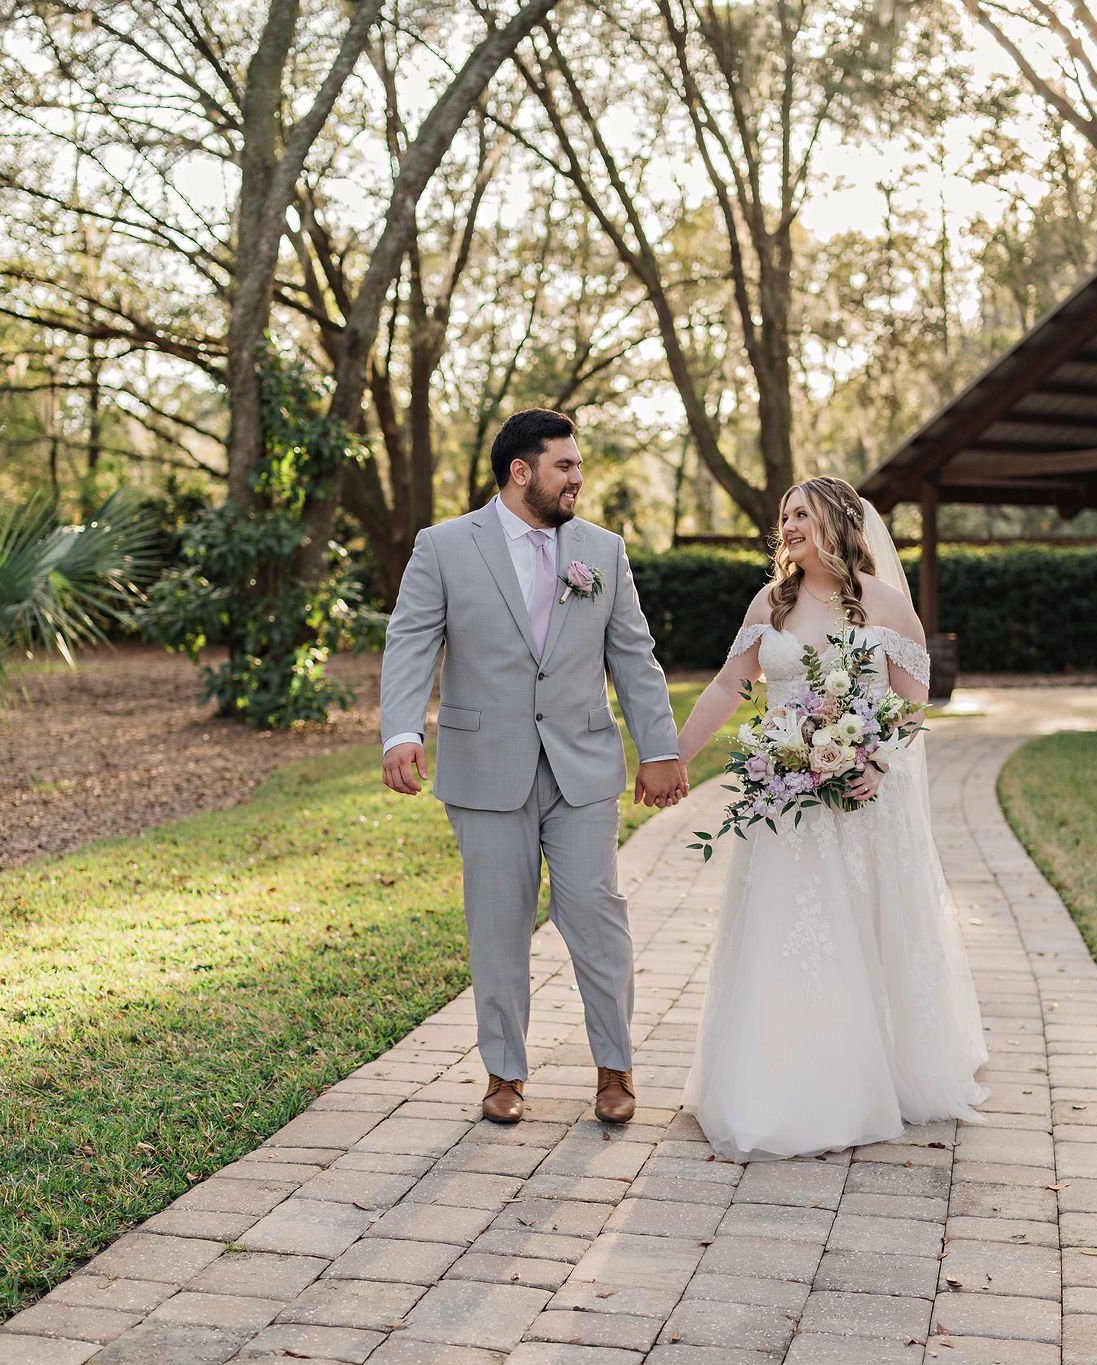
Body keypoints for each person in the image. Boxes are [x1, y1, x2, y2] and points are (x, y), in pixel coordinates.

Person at [378, 408, 688, 1126]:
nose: (578, 477)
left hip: (581, 765)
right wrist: (401, 731)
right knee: (497, 922)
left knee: (594, 914)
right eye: (565, 466)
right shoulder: (445, 546)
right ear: (522, 472)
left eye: (578, 465)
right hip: (485, 767)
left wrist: (661, 747)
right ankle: (504, 1073)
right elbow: (410, 642)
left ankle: (615, 1068)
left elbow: (633, 656)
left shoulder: (603, 551)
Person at [673, 475, 991, 1161]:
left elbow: (911, 706)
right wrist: (673, 758)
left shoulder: (884, 606)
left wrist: (875, 759)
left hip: (860, 804)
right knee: (780, 932)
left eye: (801, 514)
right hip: (784, 803)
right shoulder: (771, 603)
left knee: (857, 930)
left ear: (839, 523)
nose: (787, 525)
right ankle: (773, 1080)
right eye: (784, 515)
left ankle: (862, 1076)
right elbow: (731, 684)